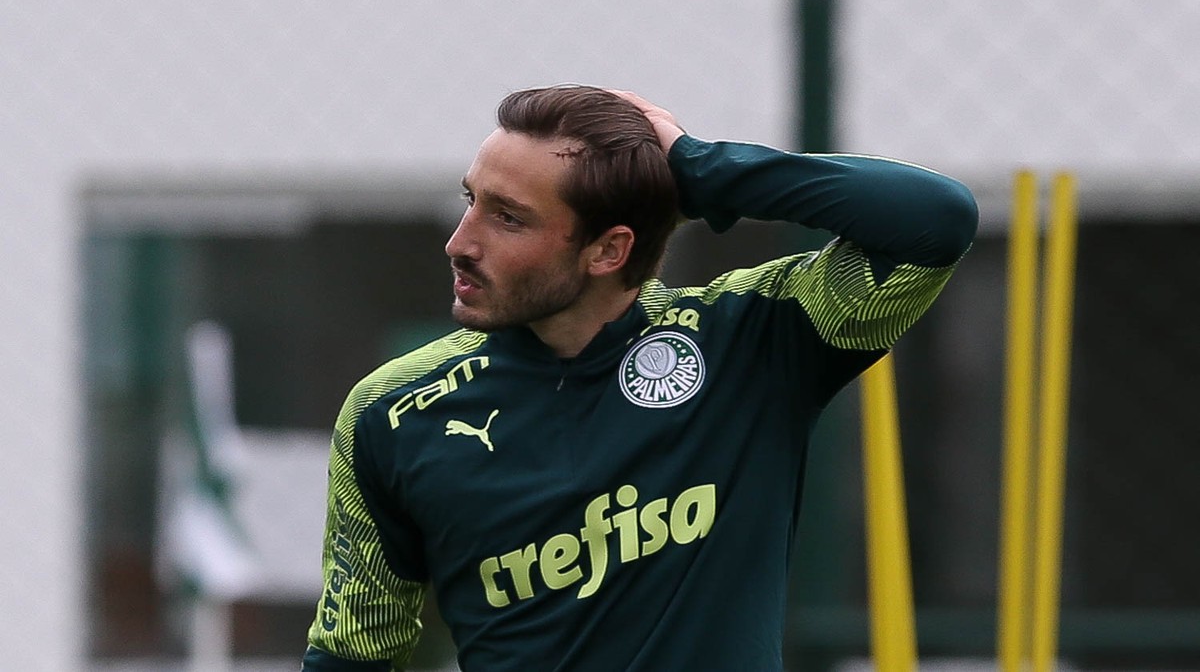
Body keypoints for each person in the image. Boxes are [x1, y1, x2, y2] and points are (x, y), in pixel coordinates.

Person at [301, 84, 977, 671]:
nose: (461, 241)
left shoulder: (752, 340)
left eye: (507, 217)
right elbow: (352, 653)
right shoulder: (391, 412)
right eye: (470, 200)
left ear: (609, 249)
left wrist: (699, 164)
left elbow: (932, 219)